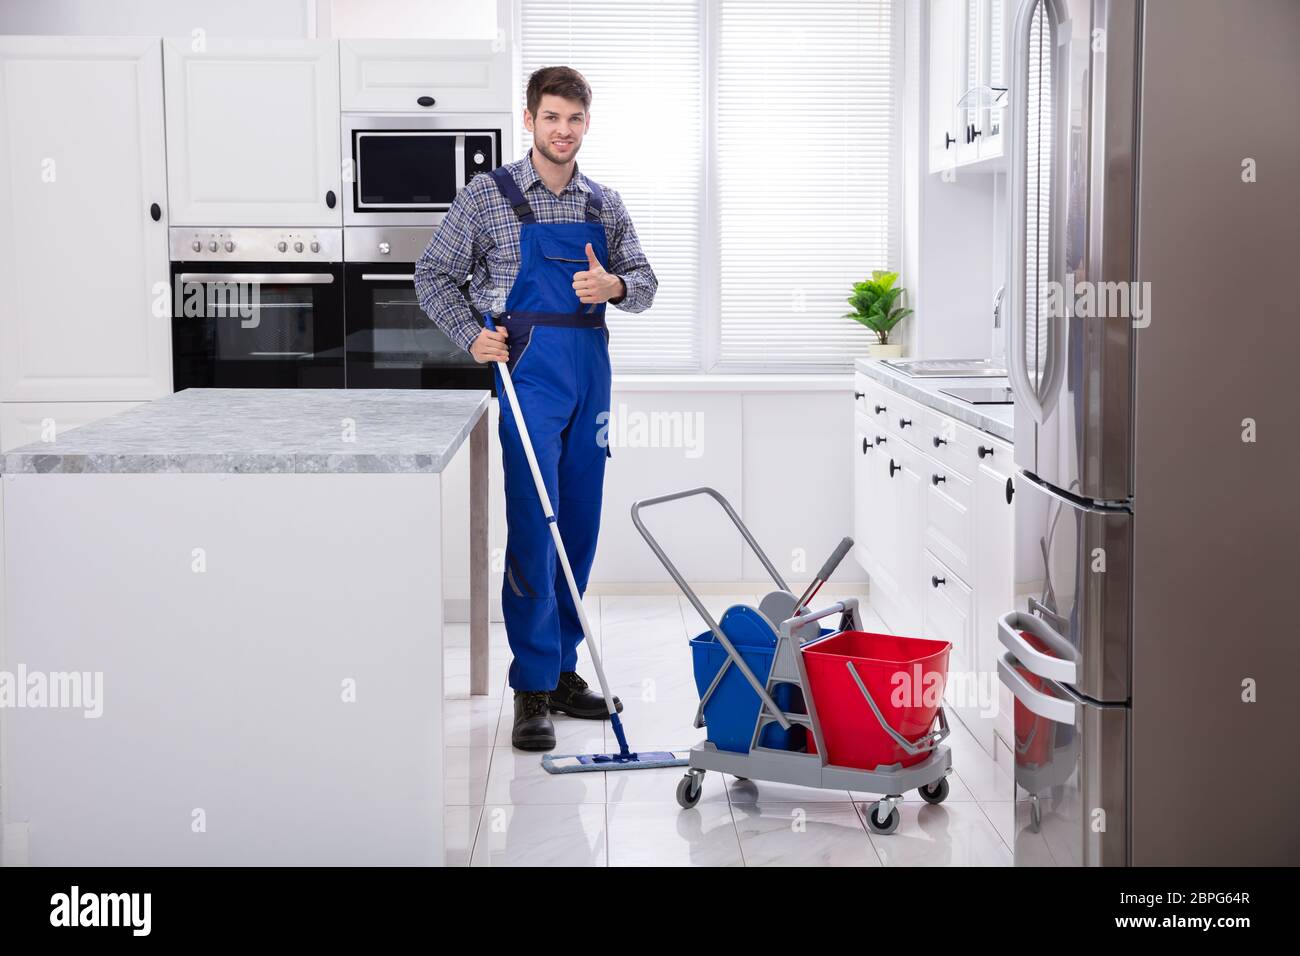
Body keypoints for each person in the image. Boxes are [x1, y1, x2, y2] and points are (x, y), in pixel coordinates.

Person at [415, 65, 657, 751]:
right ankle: (530, 684)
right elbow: (433, 275)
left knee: (578, 523)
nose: (563, 130)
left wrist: (613, 283)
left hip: (591, 373)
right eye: (551, 117)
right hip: (529, 374)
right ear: (529, 120)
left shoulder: (604, 203)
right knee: (534, 525)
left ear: (587, 124)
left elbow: (645, 285)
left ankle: (562, 672)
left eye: (575, 119)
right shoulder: (487, 197)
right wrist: (472, 336)